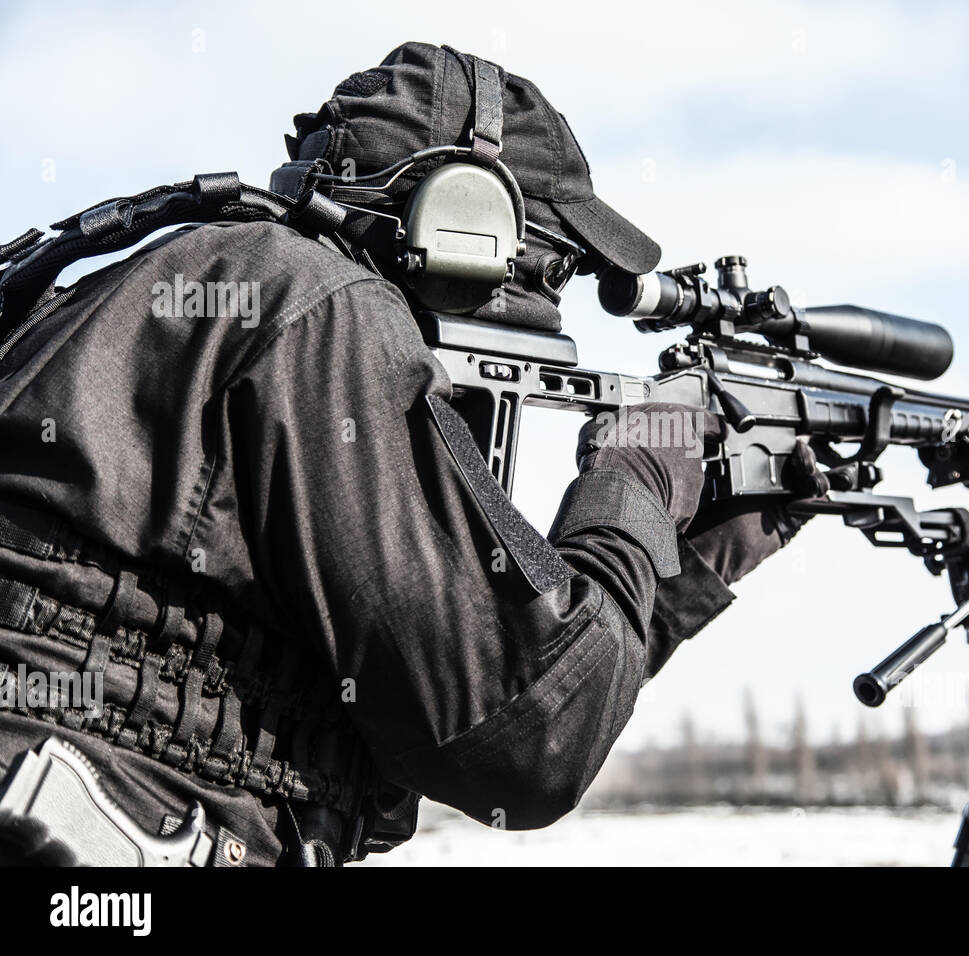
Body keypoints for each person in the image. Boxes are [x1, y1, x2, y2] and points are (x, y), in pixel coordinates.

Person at [0, 41, 808, 866]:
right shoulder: (317, 309)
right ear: (467, 220)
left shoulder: (213, 287)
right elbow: (523, 749)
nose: (557, 306)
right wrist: (637, 472)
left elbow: (441, 726)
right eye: (555, 262)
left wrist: (695, 553)